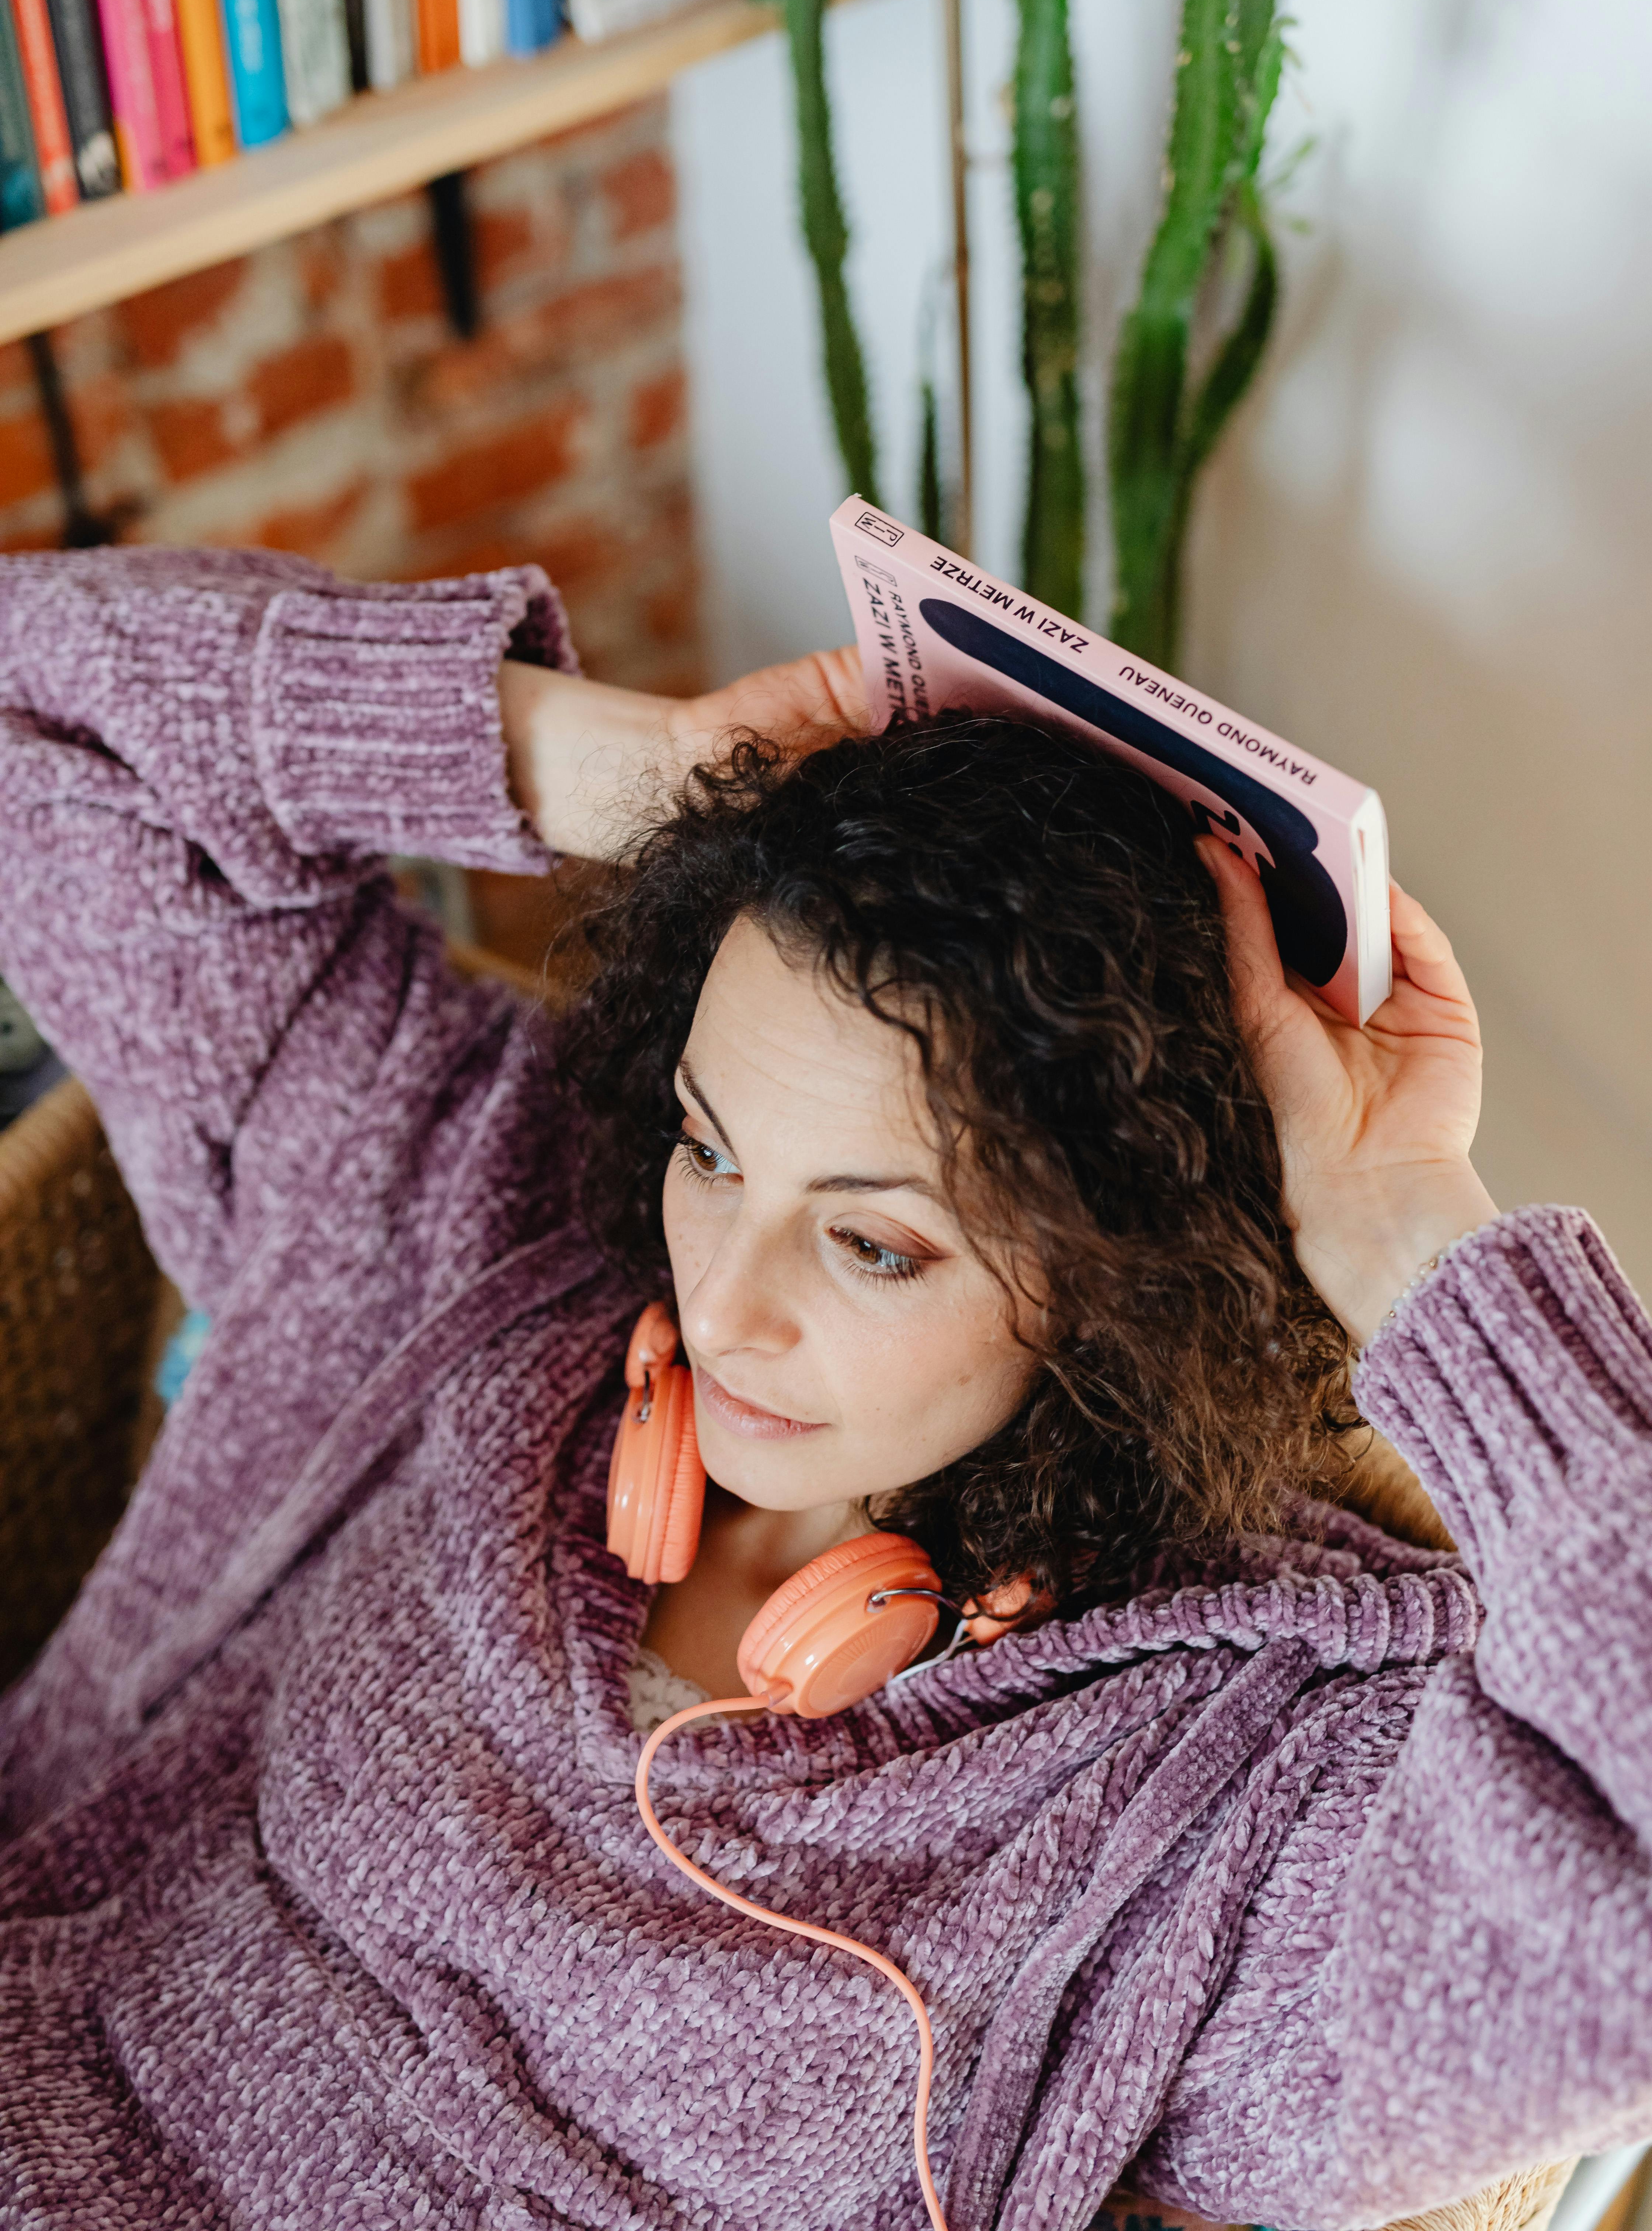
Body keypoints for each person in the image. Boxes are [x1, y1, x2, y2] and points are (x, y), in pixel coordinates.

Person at [0, 543, 1648, 2231]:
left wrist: (1403, 1224)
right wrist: (618, 768)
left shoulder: (1216, 1796)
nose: (720, 1305)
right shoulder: (469, 1213)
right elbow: (35, 714)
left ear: (1116, 1291)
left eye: (872, 1247)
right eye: (710, 1150)